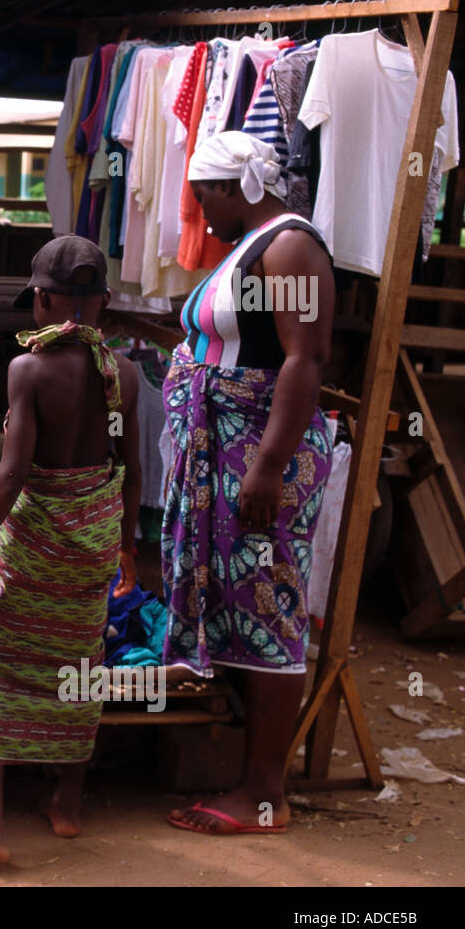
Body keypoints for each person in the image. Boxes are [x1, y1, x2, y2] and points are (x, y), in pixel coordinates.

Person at [0, 236, 141, 864]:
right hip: (94, 543)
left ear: (44, 300)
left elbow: (11, 473)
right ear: (104, 301)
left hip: (34, 545)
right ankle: (67, 805)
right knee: (80, 658)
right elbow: (130, 470)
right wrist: (126, 547)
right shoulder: (126, 375)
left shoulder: (28, 368)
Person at [163, 131, 334, 835]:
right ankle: (247, 777)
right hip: (224, 452)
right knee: (238, 606)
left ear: (236, 189)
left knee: (268, 609)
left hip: (261, 454)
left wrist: (267, 465)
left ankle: (266, 793)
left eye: (205, 197)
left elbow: (306, 357)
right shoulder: (248, 246)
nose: (199, 211)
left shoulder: (290, 246)